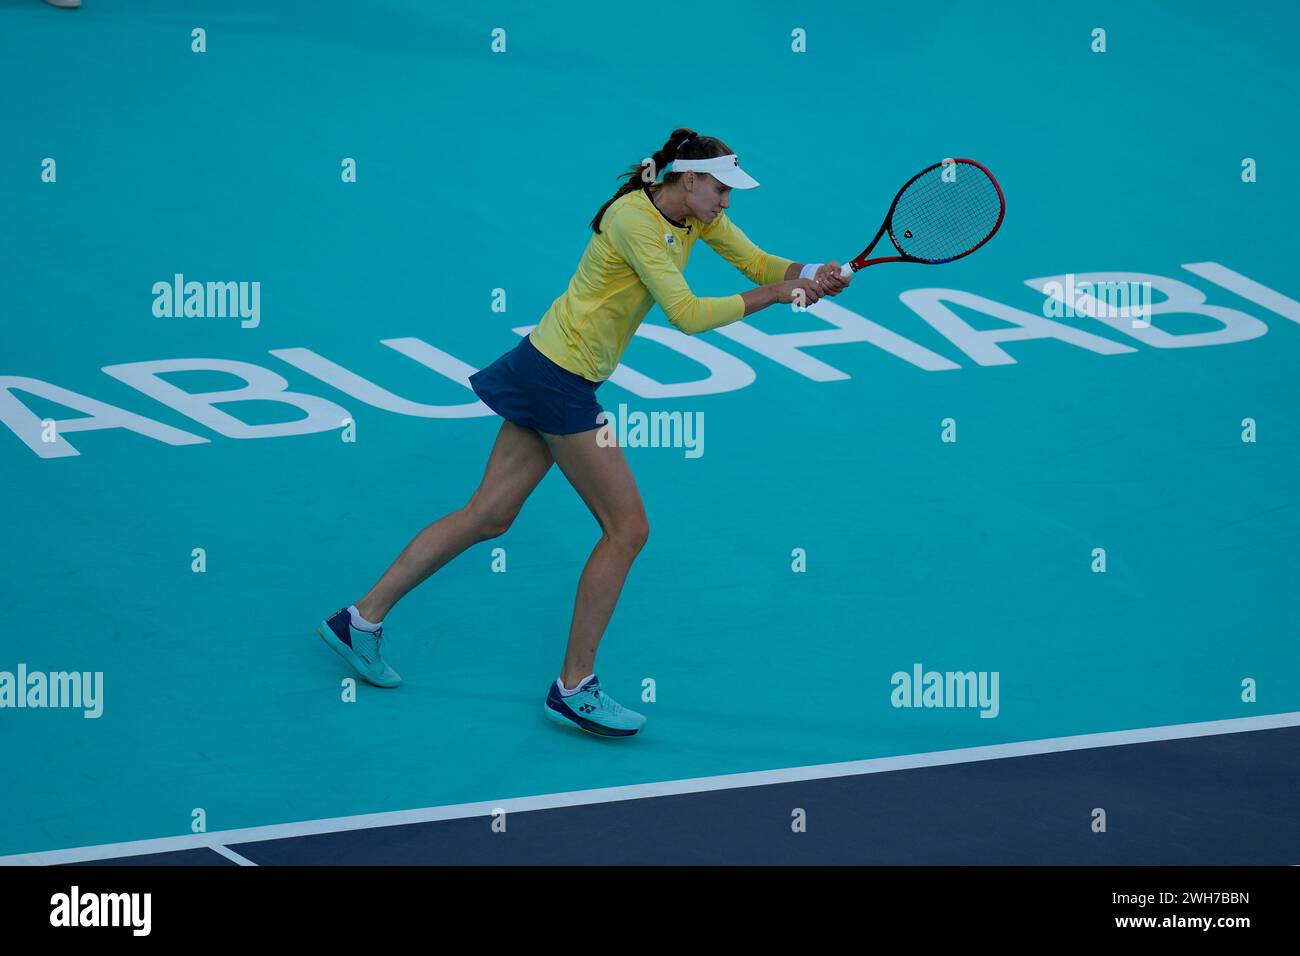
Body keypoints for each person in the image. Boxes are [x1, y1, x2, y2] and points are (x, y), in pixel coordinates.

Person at [317, 127, 851, 737]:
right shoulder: (635, 221)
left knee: (489, 514)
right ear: (689, 178)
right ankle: (574, 687)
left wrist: (814, 273)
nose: (726, 203)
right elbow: (688, 316)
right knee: (628, 529)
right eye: (721, 190)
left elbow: (756, 260)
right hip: (559, 381)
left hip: (545, 364)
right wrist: (781, 295)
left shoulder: (692, 215)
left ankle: (358, 621)